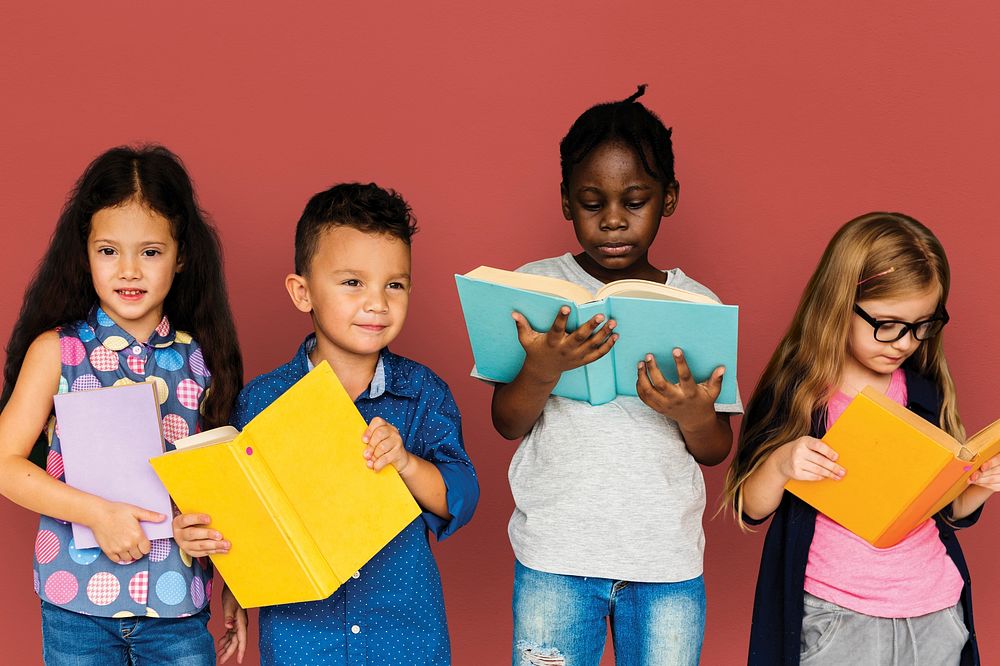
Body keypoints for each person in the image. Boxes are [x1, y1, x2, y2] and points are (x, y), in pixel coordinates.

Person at [175, 182, 479, 665]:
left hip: (404, 637)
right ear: (302, 292)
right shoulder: (260, 401)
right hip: (301, 639)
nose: (377, 302)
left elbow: (460, 498)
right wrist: (214, 553)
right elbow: (243, 515)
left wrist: (404, 463)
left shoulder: (423, 393)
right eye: (353, 282)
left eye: (394, 284)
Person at [489, 85, 741, 666]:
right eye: (591, 202)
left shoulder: (697, 306)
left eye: (634, 201)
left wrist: (692, 413)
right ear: (564, 201)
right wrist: (543, 366)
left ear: (668, 198)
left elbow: (715, 449)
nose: (611, 221)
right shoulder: (536, 287)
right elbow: (506, 421)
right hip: (555, 555)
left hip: (666, 562)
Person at [0, 145, 243, 664]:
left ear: (181, 256)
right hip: (76, 607)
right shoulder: (56, 352)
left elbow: (220, 483)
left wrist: (207, 543)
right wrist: (96, 513)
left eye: (150, 252)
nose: (129, 270)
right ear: (83, 253)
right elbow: (3, 463)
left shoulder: (201, 359)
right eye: (109, 250)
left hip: (178, 605)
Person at [724, 212, 1000, 665]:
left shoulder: (923, 391)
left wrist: (978, 487)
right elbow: (750, 508)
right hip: (835, 613)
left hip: (935, 608)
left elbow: (946, 510)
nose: (904, 343)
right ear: (840, 302)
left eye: (922, 325)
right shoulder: (799, 392)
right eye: (887, 324)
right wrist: (780, 464)